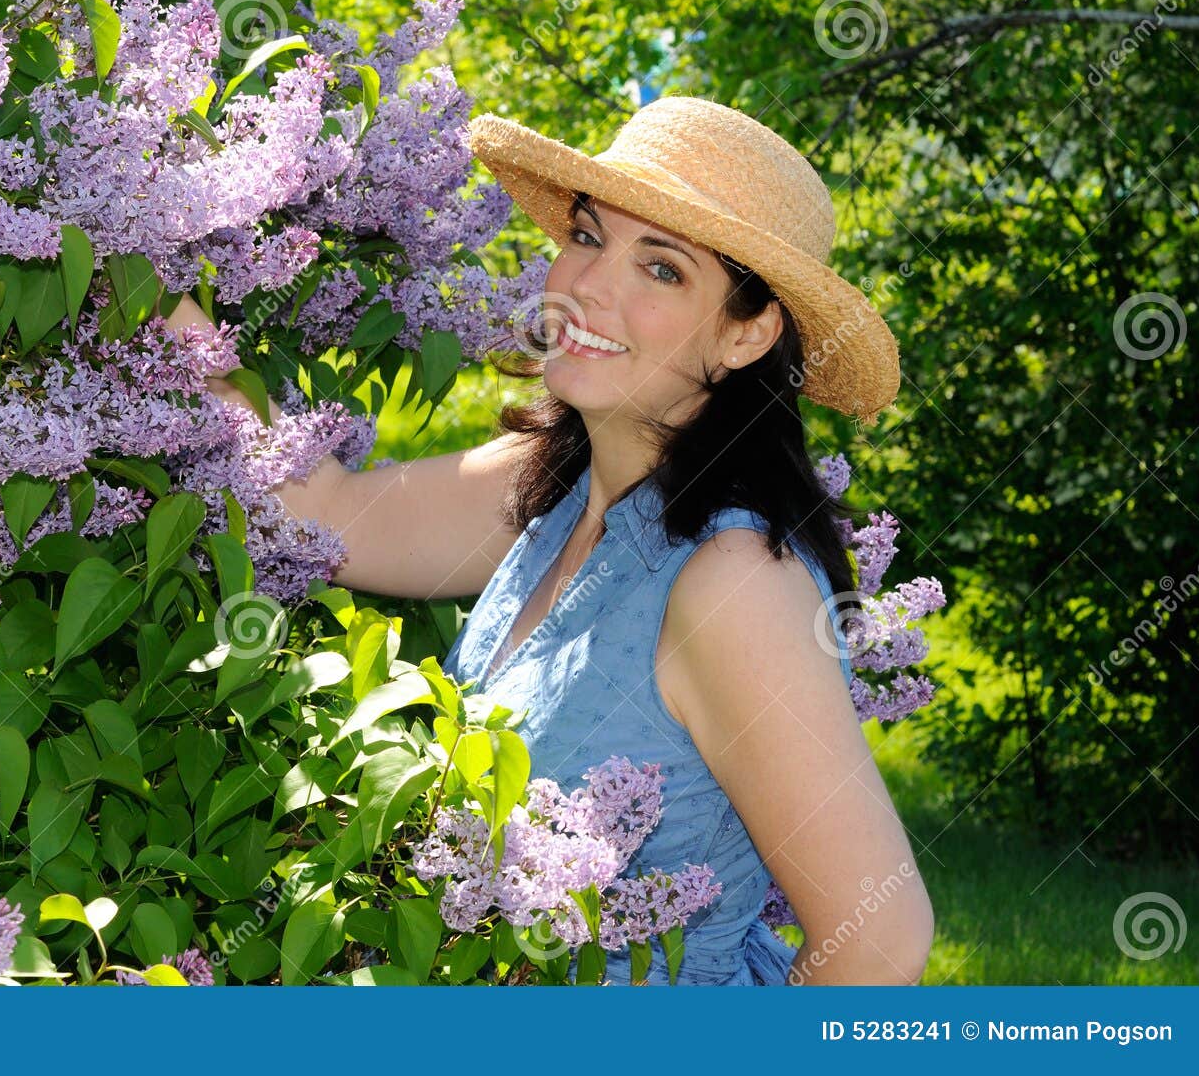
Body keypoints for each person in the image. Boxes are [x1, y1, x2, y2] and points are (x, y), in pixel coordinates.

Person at [162, 94, 934, 985]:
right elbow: (324, 512)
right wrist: (134, 267)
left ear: (747, 333)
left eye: (664, 269)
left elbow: (880, 942)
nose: (592, 285)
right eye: (590, 235)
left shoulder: (734, 581)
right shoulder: (556, 481)